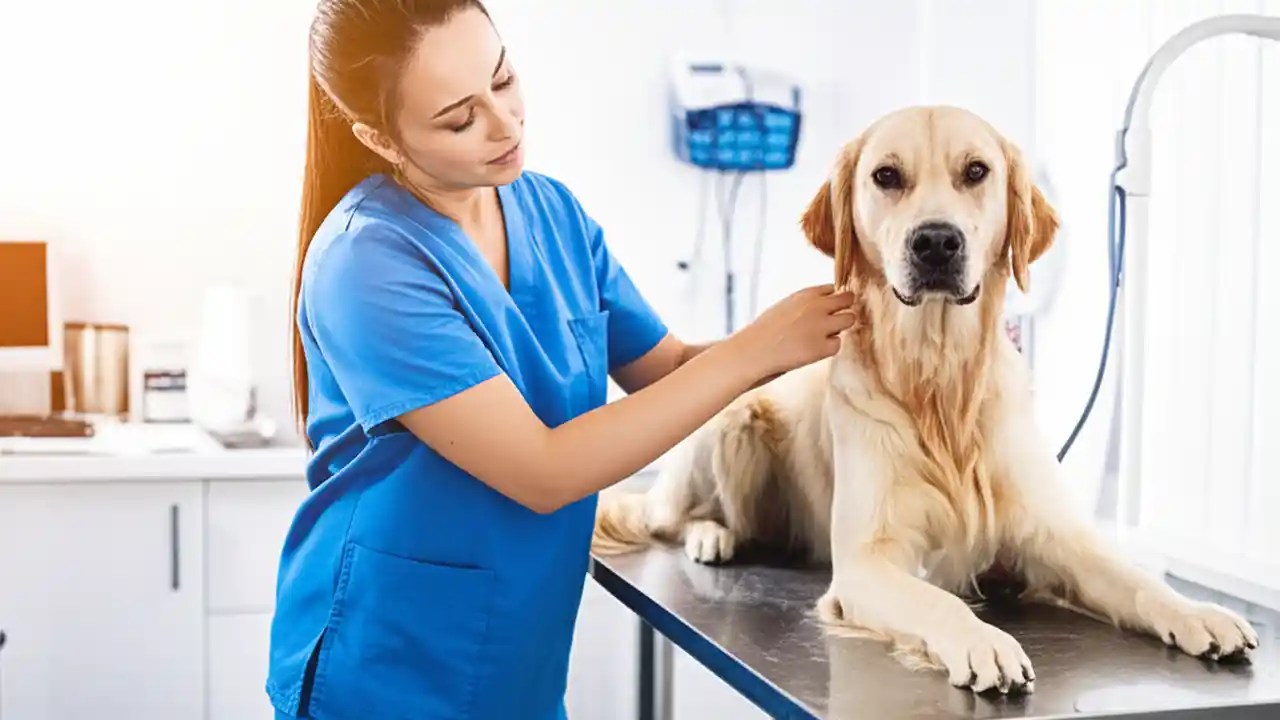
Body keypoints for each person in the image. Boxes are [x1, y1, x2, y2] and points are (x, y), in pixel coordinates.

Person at [267, 1, 855, 718]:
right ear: (380, 139)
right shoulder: (368, 260)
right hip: (389, 666)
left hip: (517, 661)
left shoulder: (552, 213)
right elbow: (544, 473)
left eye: (504, 79)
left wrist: (826, 343)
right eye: (460, 118)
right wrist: (756, 347)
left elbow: (669, 373)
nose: (506, 123)